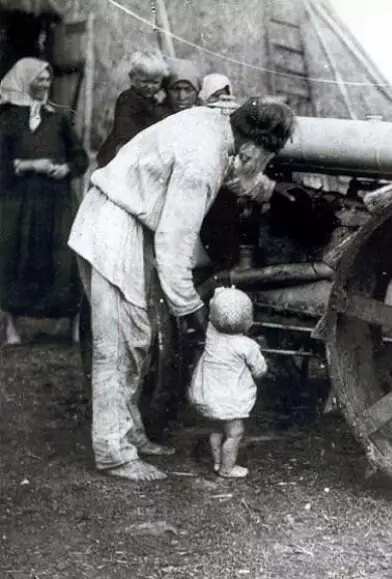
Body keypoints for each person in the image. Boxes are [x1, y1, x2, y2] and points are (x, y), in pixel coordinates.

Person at [68, 98, 295, 481]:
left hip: (126, 218)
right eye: (266, 157)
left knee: (137, 338)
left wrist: (268, 190)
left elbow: (238, 175)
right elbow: (175, 242)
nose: (262, 164)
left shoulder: (216, 126)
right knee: (120, 345)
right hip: (115, 225)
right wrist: (189, 308)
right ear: (254, 146)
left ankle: (132, 435)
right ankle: (113, 452)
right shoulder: (203, 159)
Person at [0, 58, 89, 345]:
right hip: (20, 202)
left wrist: (66, 169)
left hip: (57, 202)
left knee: (63, 260)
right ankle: (13, 328)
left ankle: (72, 327)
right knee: (17, 258)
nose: (45, 84)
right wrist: (28, 165)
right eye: (39, 78)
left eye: (48, 79)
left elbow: (80, 157)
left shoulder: (57, 118)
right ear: (24, 80)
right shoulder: (7, 117)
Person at [188, 287, 267, 478]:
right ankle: (227, 469)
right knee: (234, 433)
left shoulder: (211, 334)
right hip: (229, 399)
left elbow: (214, 308)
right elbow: (260, 370)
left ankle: (216, 463)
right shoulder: (247, 346)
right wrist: (260, 371)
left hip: (208, 394)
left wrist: (219, 293)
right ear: (249, 321)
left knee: (216, 429)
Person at [96, 50, 170, 168]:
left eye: (155, 82)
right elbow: (124, 129)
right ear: (132, 78)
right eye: (144, 81)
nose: (150, 86)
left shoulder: (152, 102)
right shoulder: (128, 99)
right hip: (123, 148)